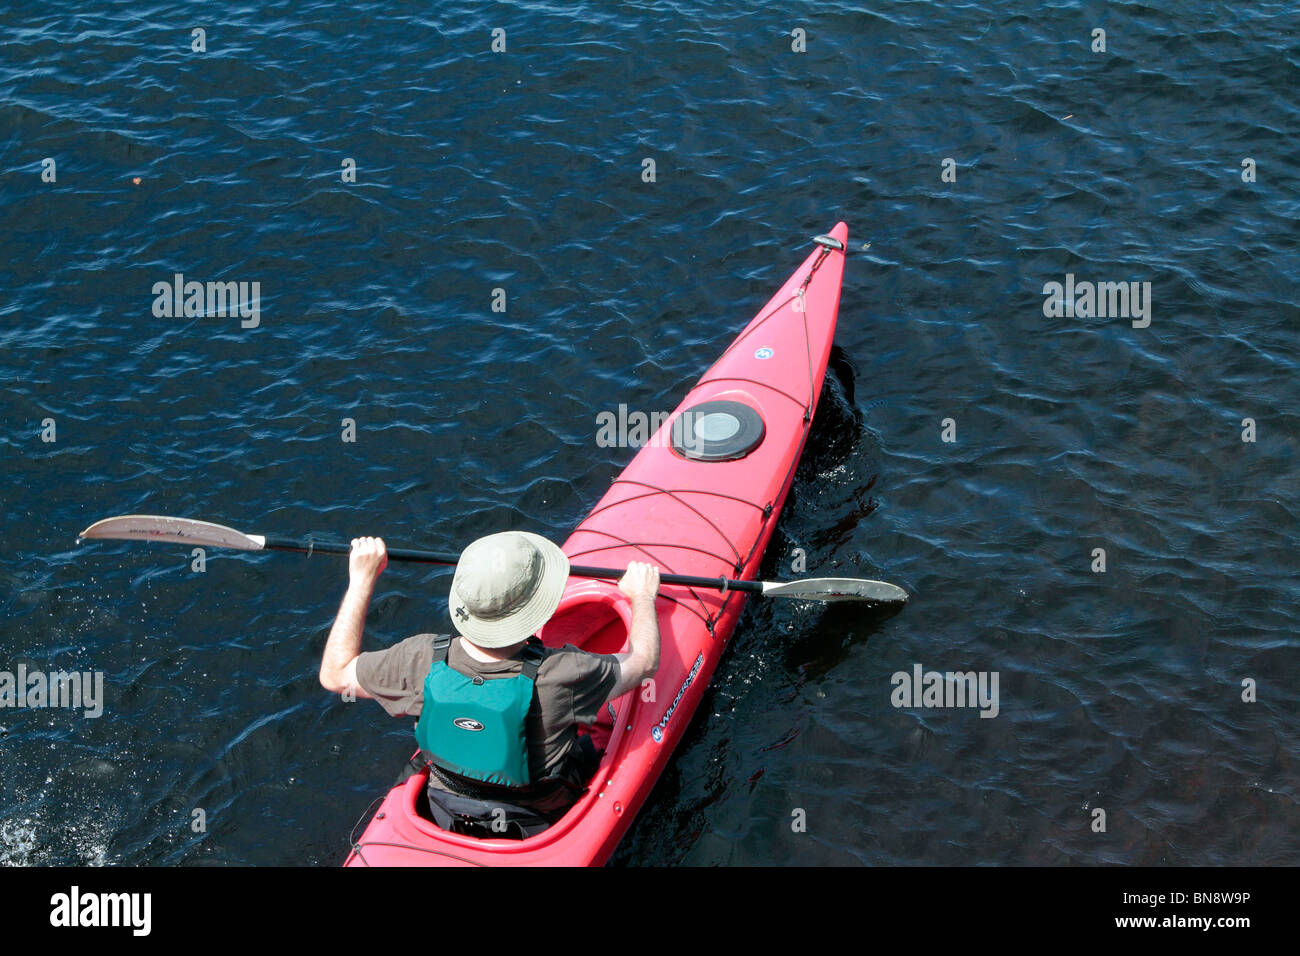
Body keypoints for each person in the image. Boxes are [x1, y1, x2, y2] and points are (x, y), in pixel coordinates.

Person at [319, 531, 660, 837]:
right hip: (538, 815)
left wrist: (361, 580)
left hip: (444, 807)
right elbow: (644, 663)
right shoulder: (566, 671)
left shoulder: (419, 656)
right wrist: (642, 596)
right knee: (595, 733)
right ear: (533, 610)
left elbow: (335, 674)